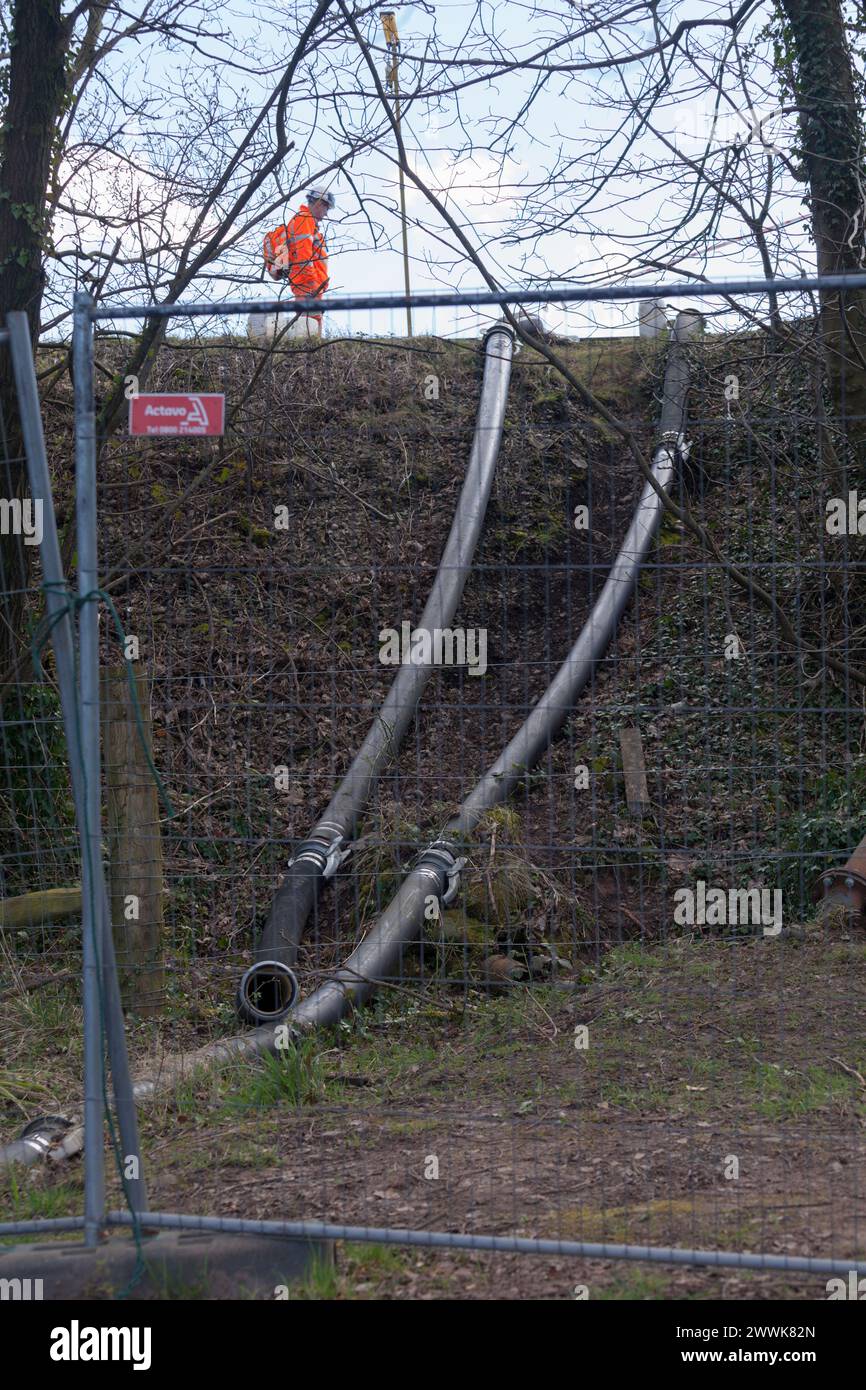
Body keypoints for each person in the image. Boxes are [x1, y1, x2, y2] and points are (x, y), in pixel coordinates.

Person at [262, 188, 334, 339]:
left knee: (312, 328)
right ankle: (266, 331)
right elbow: (304, 257)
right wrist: (312, 282)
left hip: (310, 284)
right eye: (326, 208)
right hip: (308, 284)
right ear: (319, 203)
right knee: (309, 329)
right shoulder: (304, 220)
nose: (326, 213)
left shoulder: (308, 223)